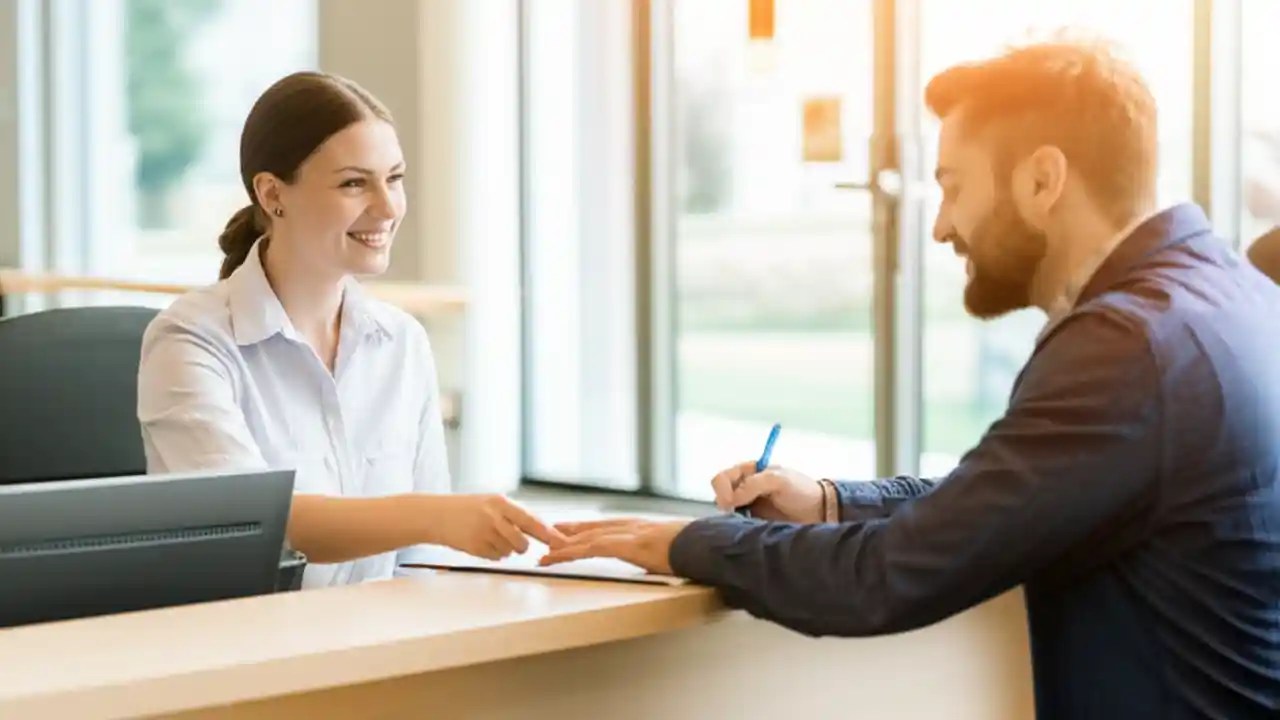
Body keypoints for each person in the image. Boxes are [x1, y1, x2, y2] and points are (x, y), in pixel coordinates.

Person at [540, 41, 1280, 718]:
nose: (941, 226)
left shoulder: (1128, 347)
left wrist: (688, 544)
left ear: (1043, 179)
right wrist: (831, 502)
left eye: (954, 186)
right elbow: (1012, 495)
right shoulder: (1231, 297)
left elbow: (888, 576)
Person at [137, 72, 562, 588]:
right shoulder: (191, 340)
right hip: (249, 649)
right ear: (273, 194)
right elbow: (250, 521)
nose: (387, 207)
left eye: (396, 178)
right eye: (355, 183)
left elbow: (422, 559)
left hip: (380, 639)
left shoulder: (401, 342)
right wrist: (436, 515)